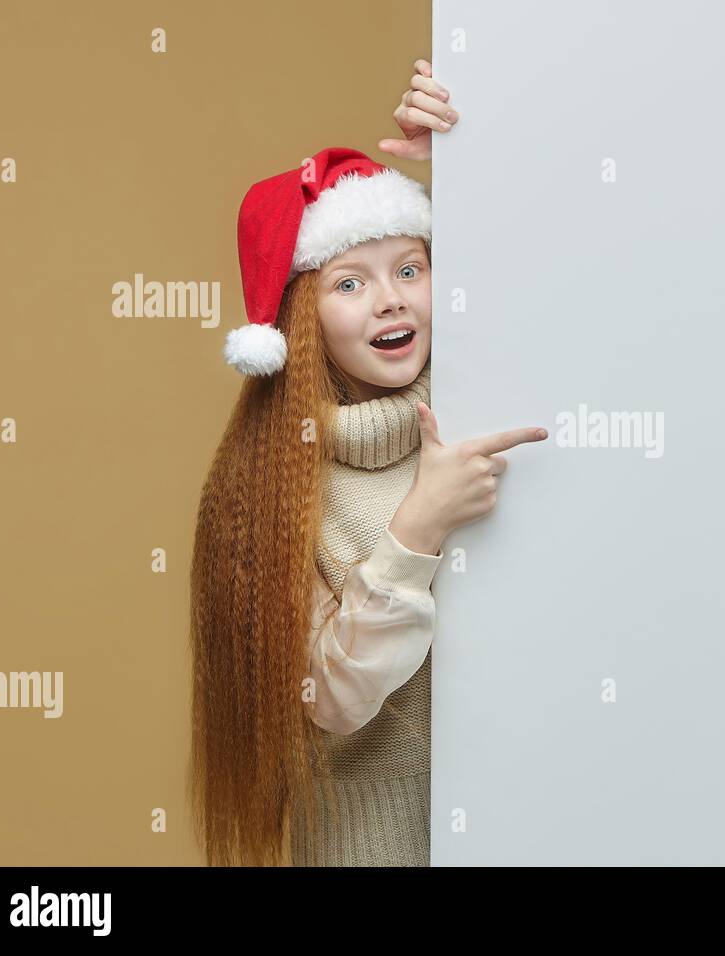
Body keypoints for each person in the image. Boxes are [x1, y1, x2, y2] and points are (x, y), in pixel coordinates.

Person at [188, 60, 548, 866]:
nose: (392, 299)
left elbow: (567, 260)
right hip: (371, 843)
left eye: (410, 269)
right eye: (351, 282)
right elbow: (332, 699)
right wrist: (418, 524)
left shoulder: (484, 394)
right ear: (299, 321)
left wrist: (474, 146)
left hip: (525, 807)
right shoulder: (281, 487)